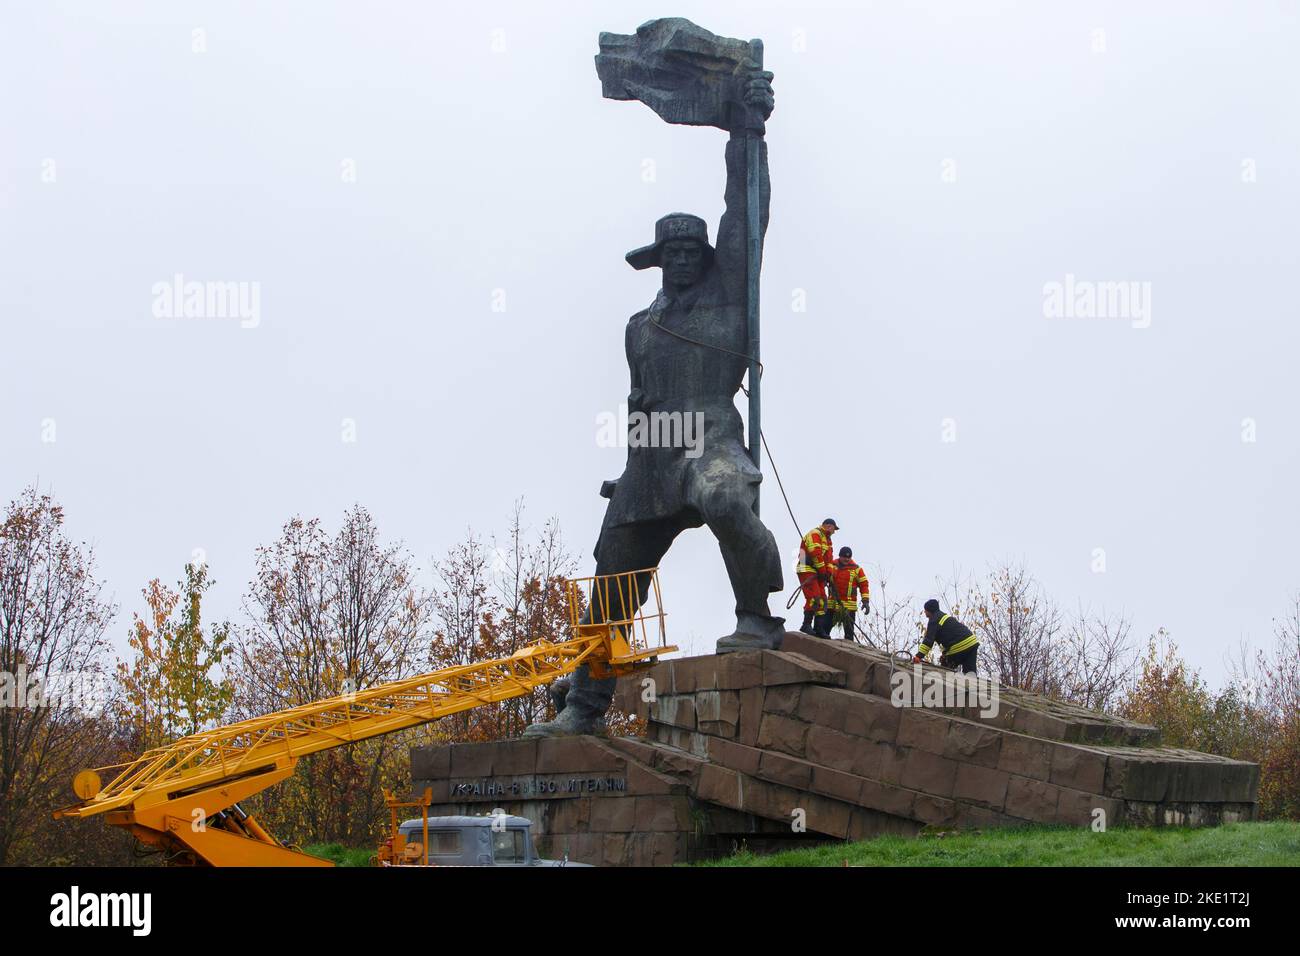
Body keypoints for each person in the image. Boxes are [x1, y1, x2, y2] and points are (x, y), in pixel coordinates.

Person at [524, 69, 780, 738]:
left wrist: (748, 132)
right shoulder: (640, 327)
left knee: (727, 500)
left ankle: (755, 616)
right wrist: (627, 470)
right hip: (650, 456)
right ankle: (585, 703)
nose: (689, 257)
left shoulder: (729, 294)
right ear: (661, 257)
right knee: (613, 574)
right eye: (678, 250)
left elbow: (745, 210)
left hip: (711, 439)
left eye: (698, 249)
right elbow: (640, 404)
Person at [796, 519, 838, 636]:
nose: (834, 532)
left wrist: (828, 574)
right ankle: (806, 624)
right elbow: (815, 553)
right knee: (814, 597)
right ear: (828, 526)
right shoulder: (815, 534)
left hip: (818, 572)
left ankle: (818, 628)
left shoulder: (828, 540)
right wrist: (822, 571)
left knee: (823, 599)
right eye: (834, 529)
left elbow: (829, 559)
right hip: (806, 568)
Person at [915, 599, 979, 673]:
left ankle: (944, 682)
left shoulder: (934, 620)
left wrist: (918, 656)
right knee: (970, 674)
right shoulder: (945, 617)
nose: (925, 613)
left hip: (959, 646)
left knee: (944, 670)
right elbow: (950, 637)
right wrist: (945, 653)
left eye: (925, 611)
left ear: (929, 610)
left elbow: (928, 641)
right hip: (972, 643)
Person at [830, 546, 869, 640]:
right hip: (833, 605)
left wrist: (865, 601)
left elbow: (864, 585)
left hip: (849, 607)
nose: (846, 559)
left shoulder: (857, 569)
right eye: (844, 557)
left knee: (849, 634)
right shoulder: (832, 566)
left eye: (848, 557)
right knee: (824, 630)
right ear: (840, 556)